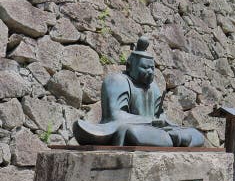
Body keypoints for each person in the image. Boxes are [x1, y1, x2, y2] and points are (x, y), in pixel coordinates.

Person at [73, 36, 205, 147]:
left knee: (196, 134)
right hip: (134, 129)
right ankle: (172, 140)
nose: (150, 72)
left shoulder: (153, 87)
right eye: (144, 67)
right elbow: (115, 116)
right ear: (130, 65)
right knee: (134, 133)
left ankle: (171, 139)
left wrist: (161, 121)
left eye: (152, 68)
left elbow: (160, 115)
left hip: (155, 131)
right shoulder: (117, 81)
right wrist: (150, 120)